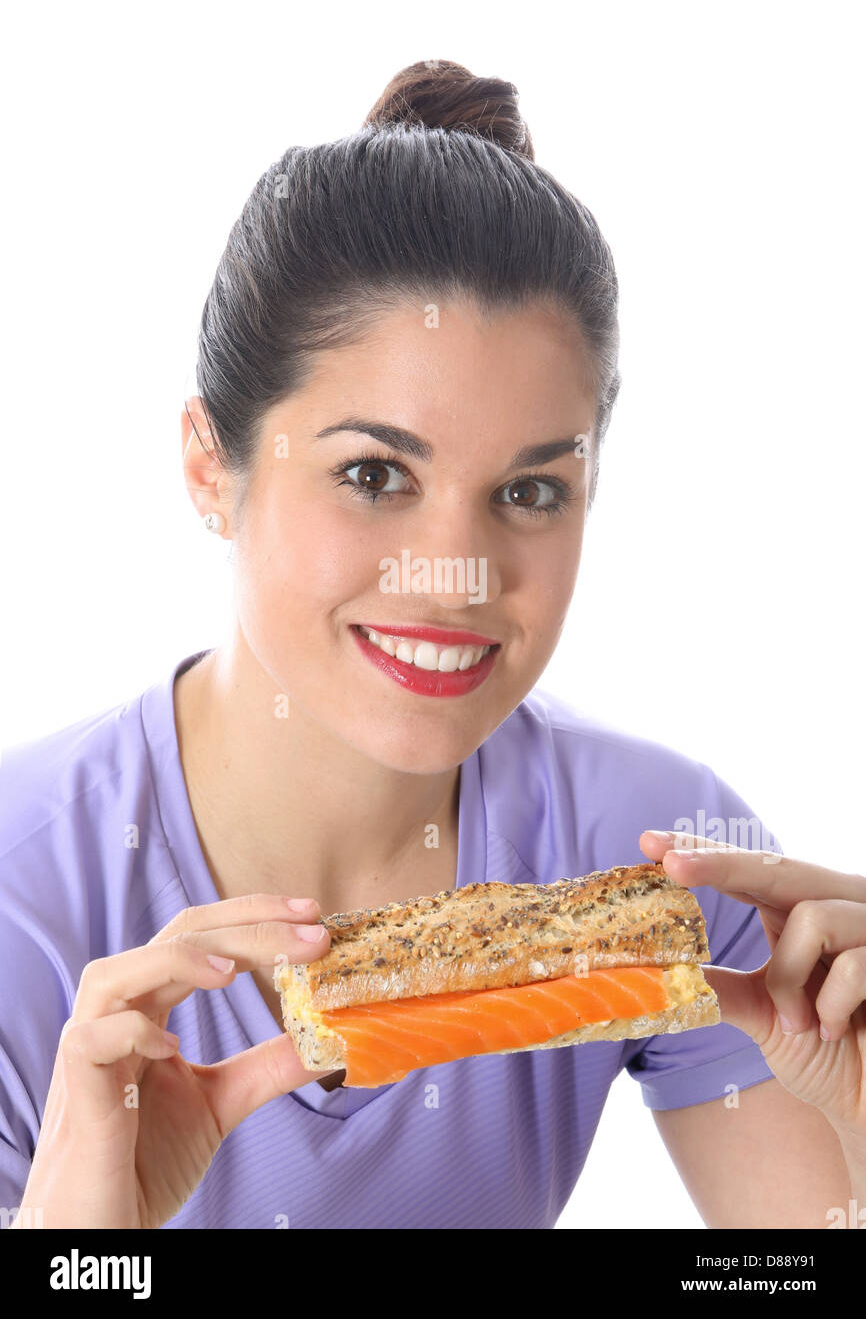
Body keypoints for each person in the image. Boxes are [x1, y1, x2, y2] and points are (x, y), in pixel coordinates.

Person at [2, 60, 864, 1231]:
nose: (454, 575)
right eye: (373, 475)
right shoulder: (23, 898)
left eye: (528, 491)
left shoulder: (662, 854)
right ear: (210, 467)